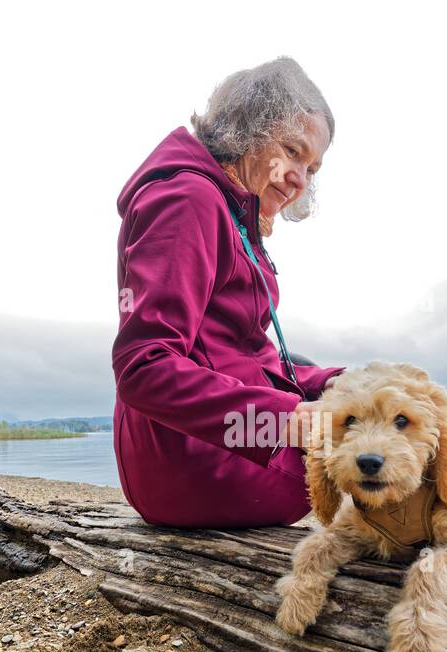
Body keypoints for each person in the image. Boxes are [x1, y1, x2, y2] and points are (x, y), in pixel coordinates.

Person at [112, 57, 343, 527]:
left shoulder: (226, 207)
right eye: (292, 150)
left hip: (206, 450)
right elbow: (143, 368)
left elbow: (241, 354)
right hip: (197, 461)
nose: (301, 178)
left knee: (376, 406)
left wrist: (332, 382)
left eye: (312, 167)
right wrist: (285, 421)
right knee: (381, 445)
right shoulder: (189, 200)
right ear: (248, 130)